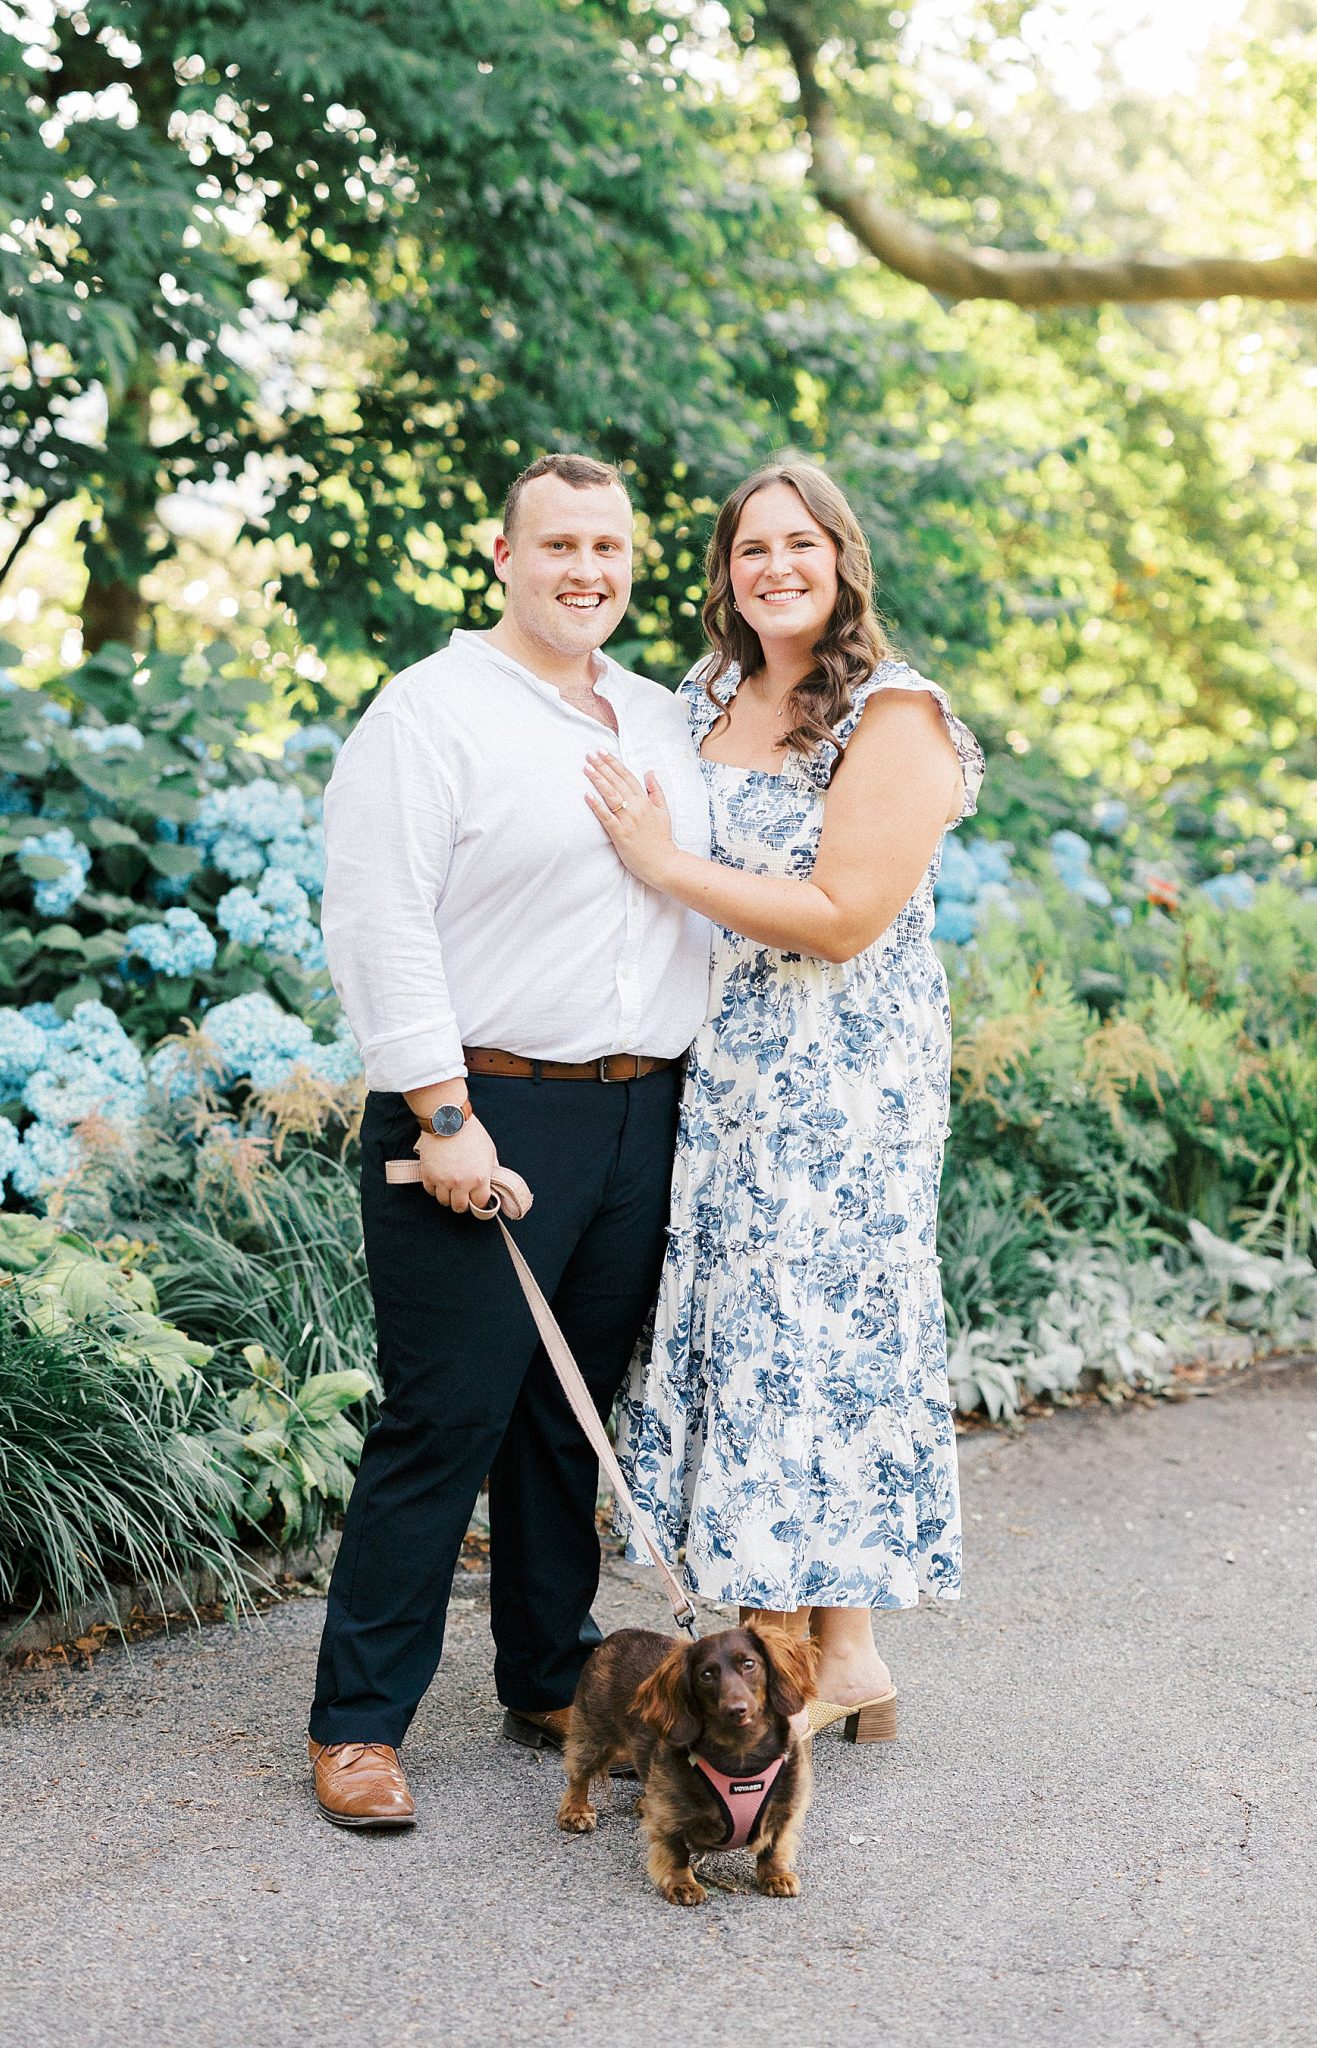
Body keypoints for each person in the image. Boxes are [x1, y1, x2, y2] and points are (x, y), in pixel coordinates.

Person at [307, 453, 711, 1827]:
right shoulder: (427, 714)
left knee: (561, 1423)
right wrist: (441, 1109)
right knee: (445, 1417)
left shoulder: (661, 720)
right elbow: (378, 919)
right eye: (558, 545)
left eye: (609, 546)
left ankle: (548, 1677)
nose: (585, 568)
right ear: (501, 554)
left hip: (634, 1107)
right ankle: (359, 1724)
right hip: (479, 1108)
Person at [584, 460, 983, 1740]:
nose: (775, 567)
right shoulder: (708, 691)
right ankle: (832, 1650)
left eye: (799, 543)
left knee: (818, 1338)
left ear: (841, 555)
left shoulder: (894, 711)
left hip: (845, 1081)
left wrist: (665, 863)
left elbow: (843, 918)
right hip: (729, 1064)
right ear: (726, 571)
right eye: (751, 548)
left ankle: (814, 1652)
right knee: (748, 1334)